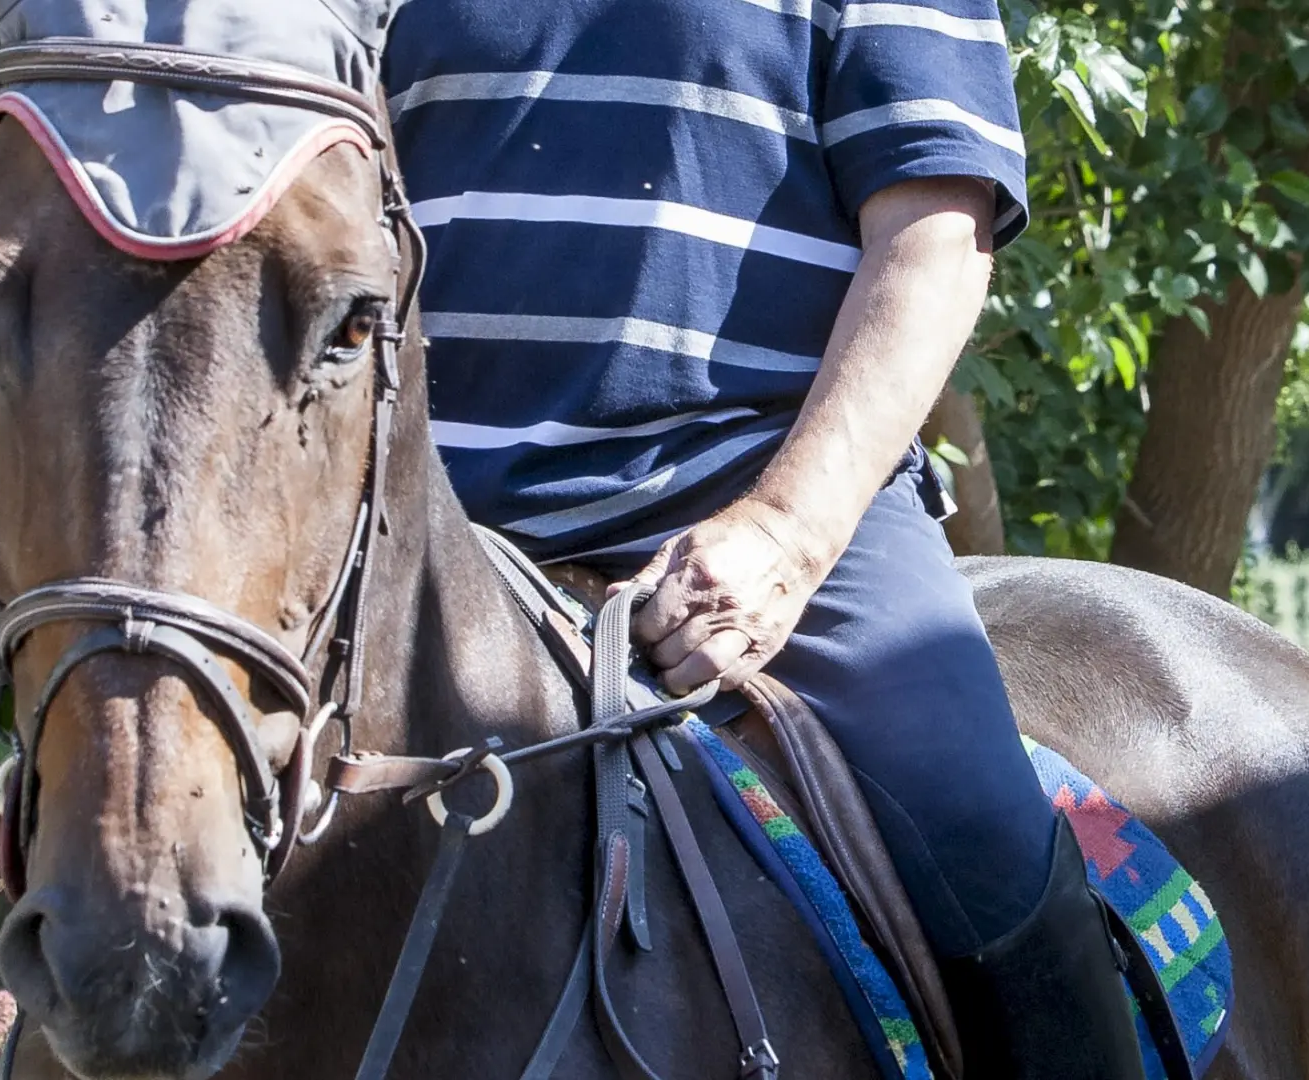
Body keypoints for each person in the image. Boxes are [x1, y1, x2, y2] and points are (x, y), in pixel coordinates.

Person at [381, 2, 1146, 1077]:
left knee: (975, 821)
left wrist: (784, 534)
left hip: (757, 497)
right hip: (412, 521)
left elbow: (935, 235)